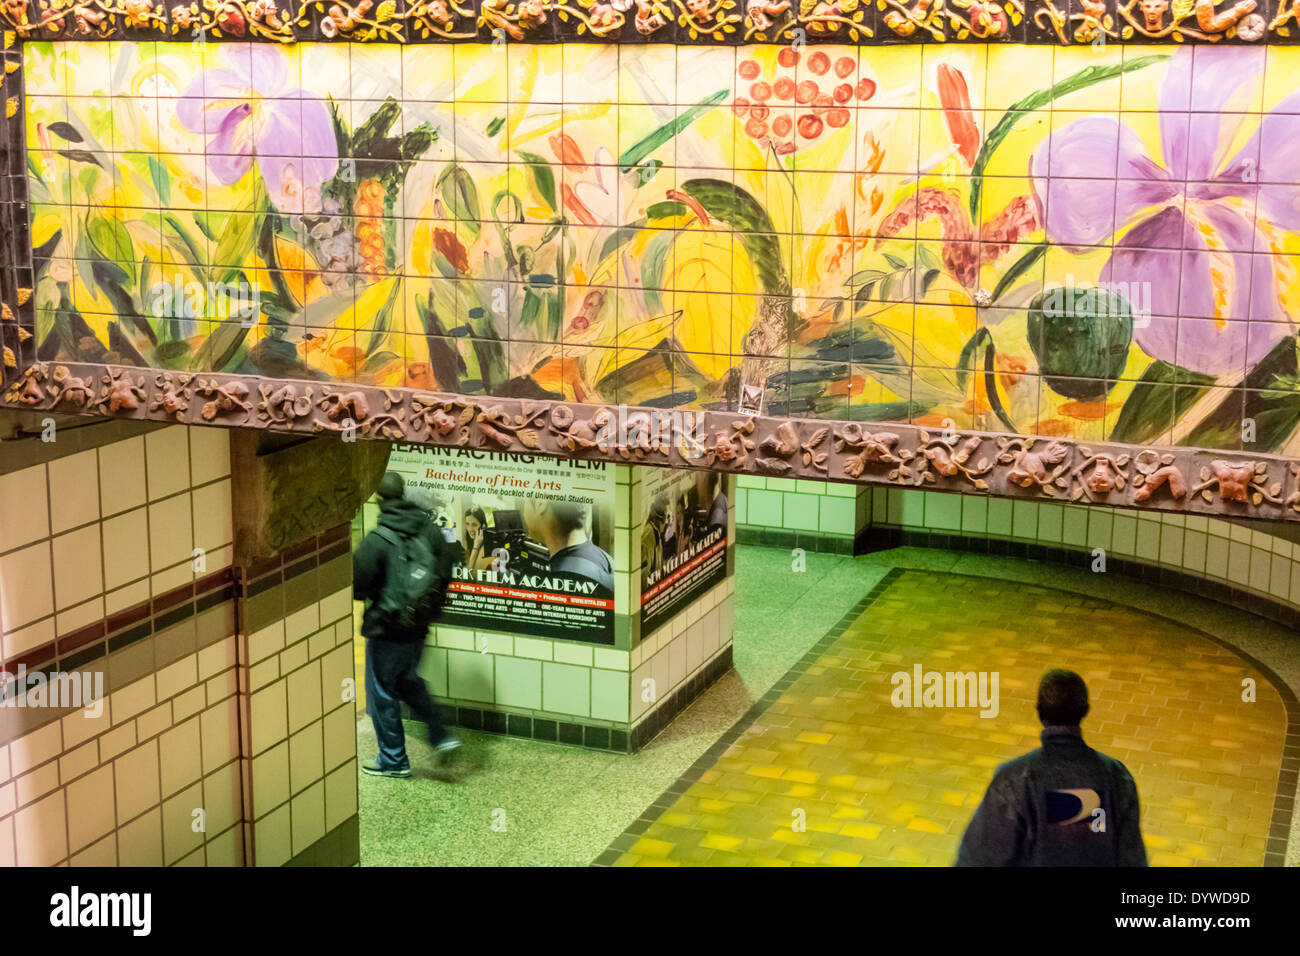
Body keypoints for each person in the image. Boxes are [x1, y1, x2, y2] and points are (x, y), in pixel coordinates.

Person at [956, 669, 1147, 866]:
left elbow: (981, 857)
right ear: (1085, 710)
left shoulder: (1013, 780)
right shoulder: (1117, 777)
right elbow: (1131, 857)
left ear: (1040, 712)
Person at [353, 472, 460, 778]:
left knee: (382, 694)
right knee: (407, 680)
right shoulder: (430, 530)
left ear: (378, 499)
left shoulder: (377, 539)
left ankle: (393, 760)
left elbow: (357, 585)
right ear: (403, 494)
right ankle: (442, 736)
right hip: (419, 626)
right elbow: (445, 569)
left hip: (387, 630)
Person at [522, 496, 615, 594]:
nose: (524, 513)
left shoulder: (557, 585)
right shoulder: (607, 561)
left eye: (525, 502)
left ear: (540, 504)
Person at [459, 506, 497, 571]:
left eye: (474, 525)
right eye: (467, 524)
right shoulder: (470, 544)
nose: (470, 529)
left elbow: (471, 572)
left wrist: (475, 547)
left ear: (483, 526)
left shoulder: (485, 549)